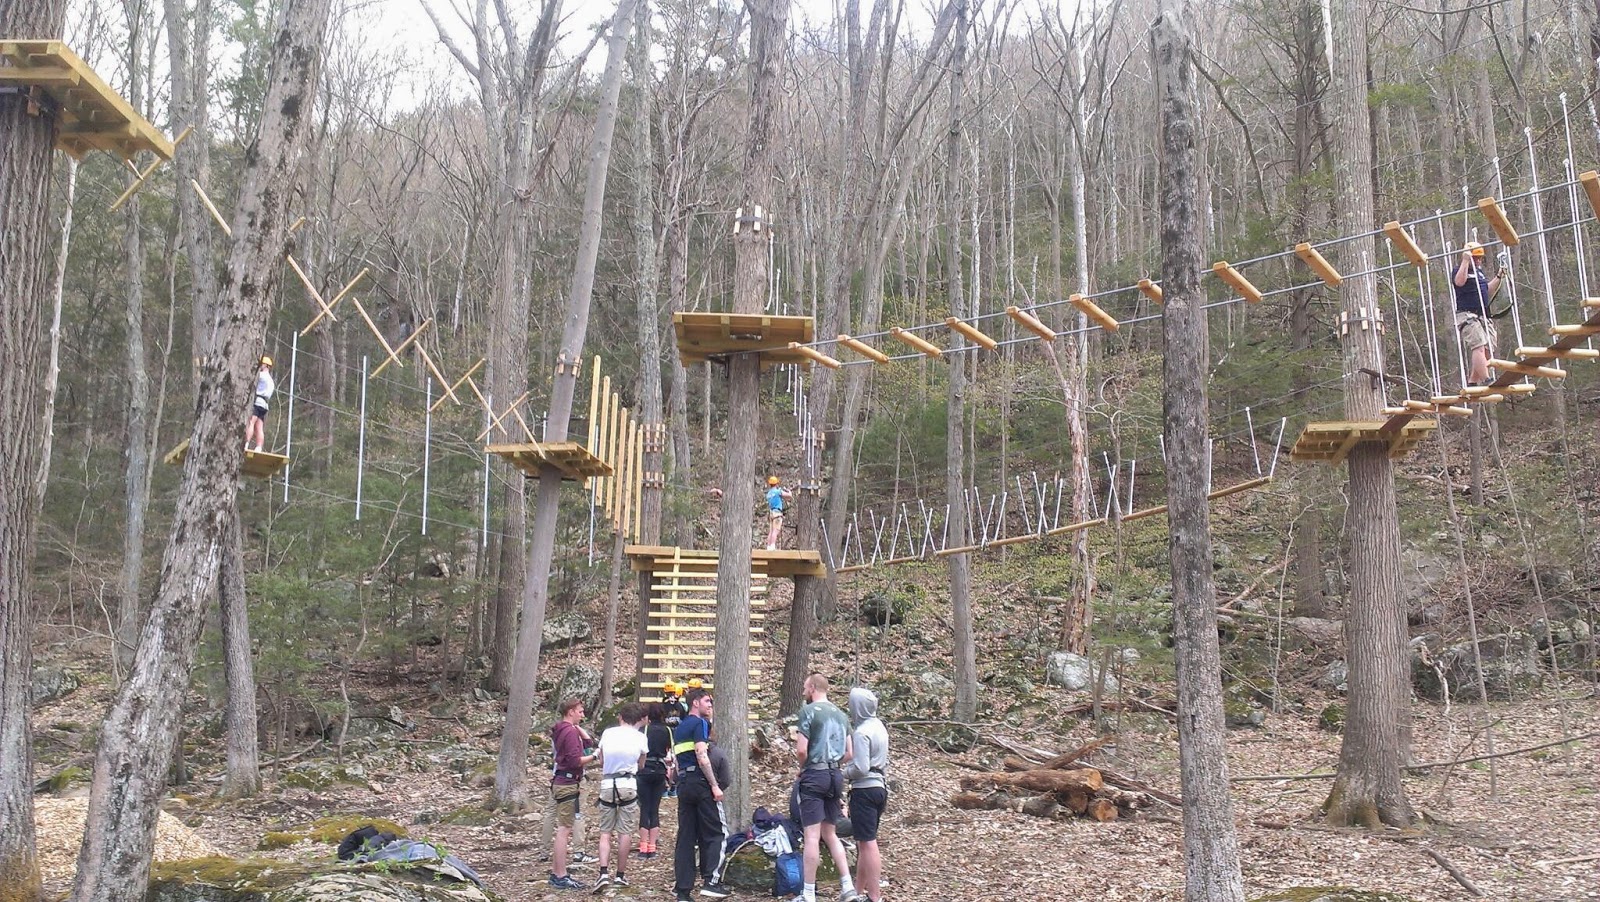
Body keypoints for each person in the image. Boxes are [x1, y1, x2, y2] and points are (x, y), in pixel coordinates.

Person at [789, 673, 859, 902]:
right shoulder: (841, 714)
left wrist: (803, 768)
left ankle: (808, 893)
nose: (802, 691)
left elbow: (801, 750)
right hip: (835, 775)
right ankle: (848, 887)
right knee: (831, 833)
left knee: (811, 835)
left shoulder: (808, 712)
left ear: (812, 688)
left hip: (814, 775)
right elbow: (850, 752)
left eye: (804, 687)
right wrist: (834, 763)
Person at [672, 688, 730, 900]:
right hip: (700, 782)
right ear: (695, 703)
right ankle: (711, 881)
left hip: (684, 785)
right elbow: (702, 755)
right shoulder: (700, 724)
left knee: (686, 837)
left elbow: (677, 762)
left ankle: (683, 891)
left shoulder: (679, 728)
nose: (710, 705)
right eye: (707, 701)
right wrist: (714, 785)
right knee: (718, 832)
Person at [593, 702, 650, 890]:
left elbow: (601, 760)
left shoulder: (608, 733)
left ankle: (603, 872)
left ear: (621, 717)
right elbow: (642, 764)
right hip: (628, 784)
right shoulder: (640, 737)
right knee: (624, 832)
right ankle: (620, 875)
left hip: (608, 783)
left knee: (605, 832)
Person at [842, 688, 889, 902]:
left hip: (864, 790)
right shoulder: (879, 727)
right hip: (880, 788)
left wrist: (843, 772)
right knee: (863, 841)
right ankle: (859, 893)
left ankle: (874, 896)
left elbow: (861, 767)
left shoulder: (861, 732)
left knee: (869, 843)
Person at [548, 698, 598, 891]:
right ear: (570, 711)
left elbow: (587, 742)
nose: (583, 715)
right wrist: (594, 757)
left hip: (564, 781)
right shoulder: (568, 731)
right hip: (567, 782)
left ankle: (557, 871)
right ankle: (560, 874)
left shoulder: (565, 729)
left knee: (564, 828)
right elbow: (574, 761)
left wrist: (578, 728)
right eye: (580, 711)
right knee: (564, 829)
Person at [1453, 242, 1503, 386]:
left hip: (1482, 315)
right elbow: (1459, 282)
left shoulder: (1479, 273)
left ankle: (1473, 381)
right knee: (1479, 345)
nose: (1479, 261)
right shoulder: (1459, 270)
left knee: (1489, 348)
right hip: (1467, 315)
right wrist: (1465, 260)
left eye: (1480, 258)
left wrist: (1499, 276)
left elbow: (1487, 291)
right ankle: (1487, 379)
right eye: (1476, 258)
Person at [637, 701, 674, 860]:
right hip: (659, 770)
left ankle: (643, 846)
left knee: (644, 808)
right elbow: (670, 752)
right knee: (655, 809)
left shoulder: (643, 730)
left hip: (644, 771)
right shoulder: (667, 730)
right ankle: (652, 847)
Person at [246, 356, 274, 452]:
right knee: (259, 427)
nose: (260, 366)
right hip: (265, 405)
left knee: (251, 422)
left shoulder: (261, 376)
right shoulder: (271, 381)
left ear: (266, 365)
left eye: (262, 364)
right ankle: (259, 447)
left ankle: (246, 443)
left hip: (258, 402)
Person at [764, 476, 793, 550]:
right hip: (777, 513)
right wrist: (788, 491)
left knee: (771, 531)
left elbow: (783, 497)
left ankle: (769, 546)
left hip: (771, 513)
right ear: (776, 484)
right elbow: (789, 496)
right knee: (775, 530)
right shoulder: (777, 492)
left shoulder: (769, 494)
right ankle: (772, 546)